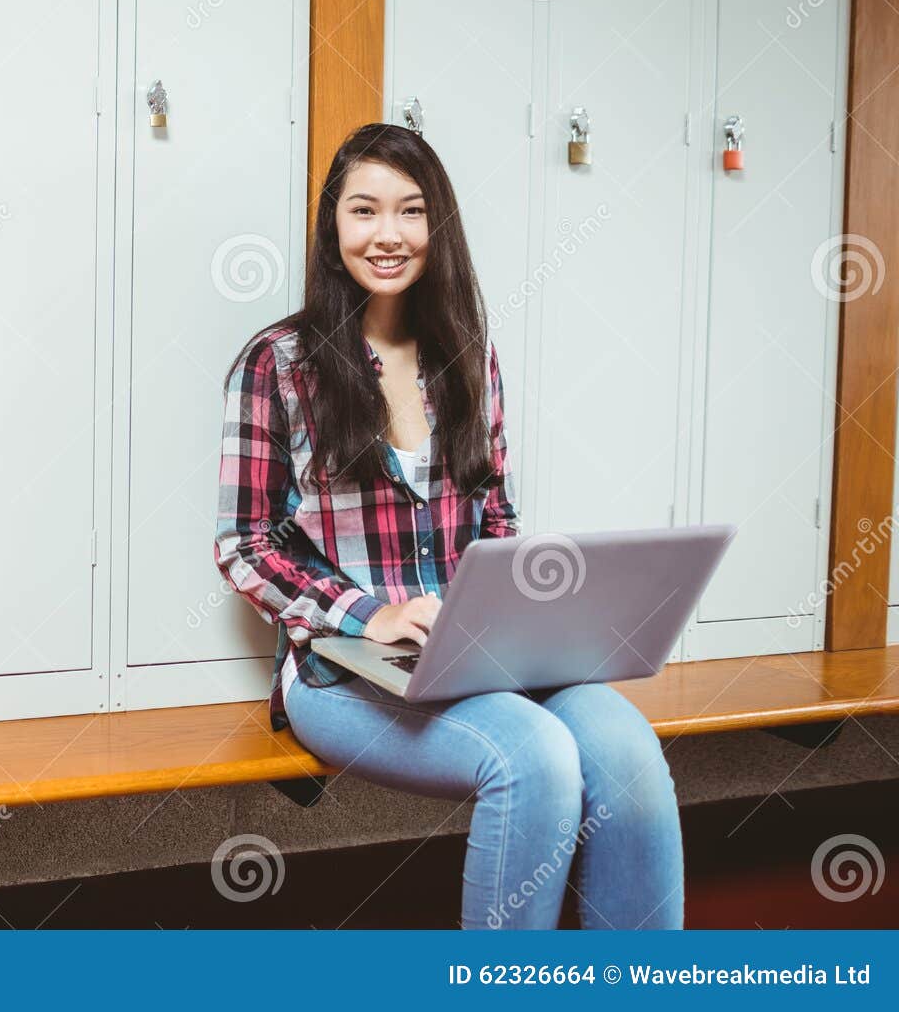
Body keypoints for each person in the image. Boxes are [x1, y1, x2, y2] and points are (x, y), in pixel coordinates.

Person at [213, 122, 683, 929]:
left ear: (438, 226)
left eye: (411, 211)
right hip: (342, 670)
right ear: (333, 226)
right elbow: (244, 543)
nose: (388, 234)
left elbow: (495, 510)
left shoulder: (465, 352)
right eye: (364, 210)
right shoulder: (279, 362)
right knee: (536, 758)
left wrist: (526, 613)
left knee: (628, 751)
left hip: (479, 651)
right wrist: (372, 614)